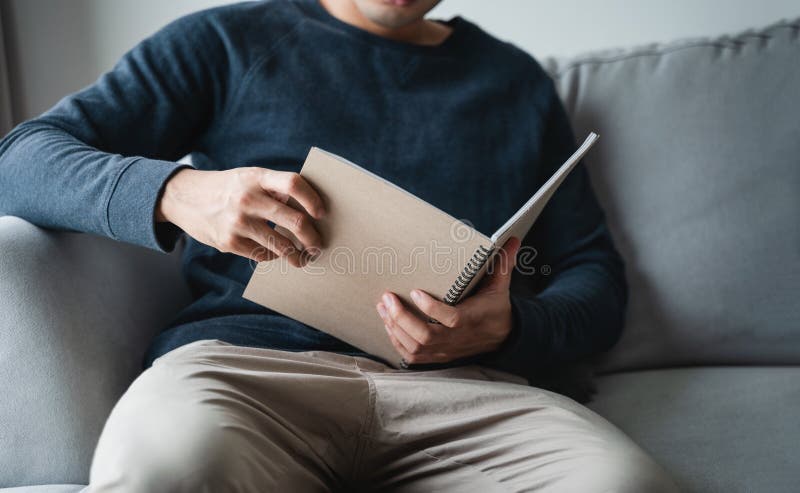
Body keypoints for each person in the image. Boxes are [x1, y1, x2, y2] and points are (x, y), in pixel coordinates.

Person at [0, 0, 679, 491]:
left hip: (467, 394)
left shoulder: (516, 84)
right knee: (165, 467)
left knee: (622, 483)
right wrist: (177, 192)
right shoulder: (228, 41)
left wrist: (510, 323)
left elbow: (596, 277)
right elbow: (18, 159)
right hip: (247, 373)